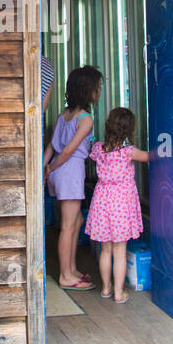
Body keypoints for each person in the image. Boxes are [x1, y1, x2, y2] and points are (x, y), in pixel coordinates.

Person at [43, 65, 102, 290]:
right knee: (68, 225)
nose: (99, 91)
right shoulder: (86, 119)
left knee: (76, 220)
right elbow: (67, 151)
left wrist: (46, 168)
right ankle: (66, 275)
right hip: (69, 171)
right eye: (97, 87)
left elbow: (52, 146)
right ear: (89, 90)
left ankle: (72, 268)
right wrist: (50, 168)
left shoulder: (64, 114)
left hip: (59, 173)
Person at [84, 107, 147, 303]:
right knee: (120, 251)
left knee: (106, 250)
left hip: (102, 201)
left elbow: (90, 153)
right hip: (121, 203)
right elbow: (150, 156)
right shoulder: (129, 152)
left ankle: (105, 288)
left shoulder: (98, 149)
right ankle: (119, 293)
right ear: (129, 130)